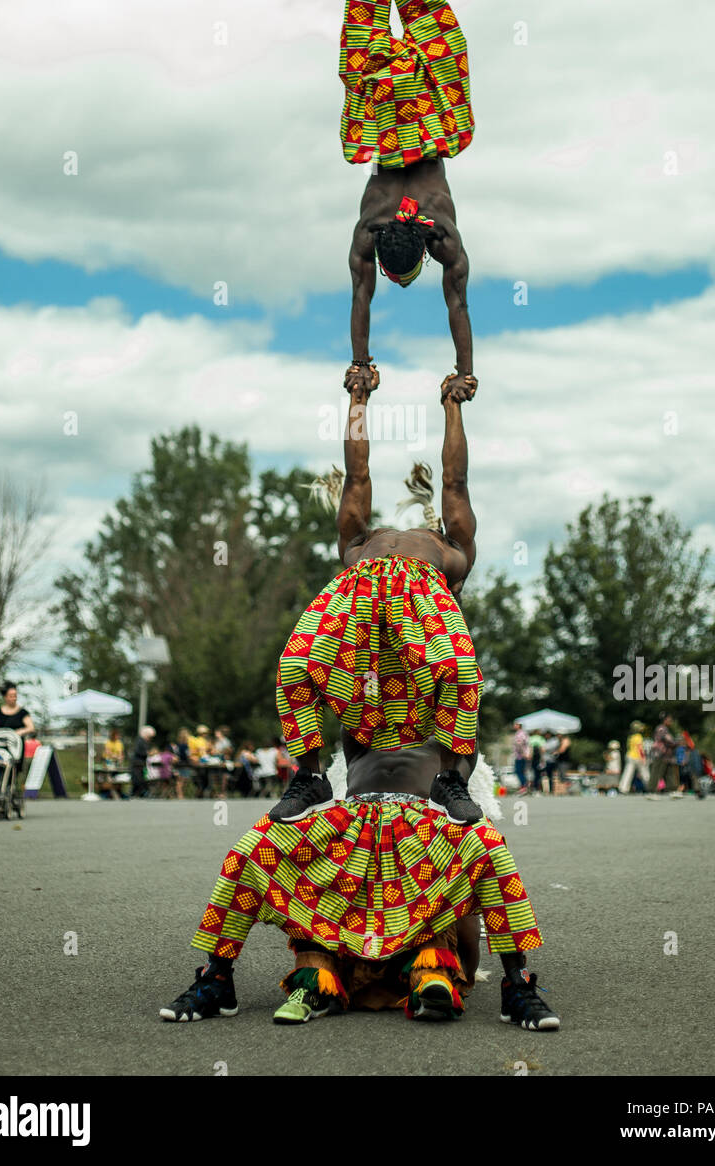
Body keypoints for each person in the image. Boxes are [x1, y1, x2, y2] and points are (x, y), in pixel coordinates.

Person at [160, 731, 558, 1032]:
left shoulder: (446, 714)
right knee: (249, 851)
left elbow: (462, 758)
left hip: (420, 827)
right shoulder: (359, 712)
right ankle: (217, 979)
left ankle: (517, 985)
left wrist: (468, 949)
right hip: (353, 824)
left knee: (491, 849)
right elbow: (330, 695)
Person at [269, 373, 483, 826]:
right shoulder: (357, 544)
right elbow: (357, 471)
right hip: (356, 602)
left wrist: (452, 406)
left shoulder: (452, 553)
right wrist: (357, 399)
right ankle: (309, 776)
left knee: (461, 670)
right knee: (293, 667)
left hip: (417, 600)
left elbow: (454, 481)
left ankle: (452, 781)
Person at [341, 0, 476, 401]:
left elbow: (458, 305)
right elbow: (361, 298)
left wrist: (465, 371)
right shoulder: (369, 231)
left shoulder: (441, 234)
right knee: (369, 2)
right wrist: (358, 362)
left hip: (428, 114)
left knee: (421, 4)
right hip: (382, 115)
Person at [647, 713, 679, 798]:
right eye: (669, 720)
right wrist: (676, 742)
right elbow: (667, 740)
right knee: (657, 773)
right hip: (660, 754)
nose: (671, 721)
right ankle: (651, 791)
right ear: (665, 720)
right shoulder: (661, 728)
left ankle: (673, 790)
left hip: (667, 755)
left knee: (670, 773)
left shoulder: (666, 729)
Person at [619, 721, 650, 794]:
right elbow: (640, 748)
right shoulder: (639, 737)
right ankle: (650, 787)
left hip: (629, 756)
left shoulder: (630, 737)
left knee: (628, 773)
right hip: (637, 757)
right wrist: (643, 757)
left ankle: (623, 788)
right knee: (644, 773)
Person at [130, 725, 155, 798]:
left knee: (141, 780)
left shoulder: (143, 741)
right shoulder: (140, 741)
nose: (150, 739)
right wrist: (148, 753)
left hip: (141, 763)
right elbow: (139, 752)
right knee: (138, 780)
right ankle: (135, 794)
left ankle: (137, 794)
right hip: (137, 764)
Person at [173, 728, 196, 800]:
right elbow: (188, 755)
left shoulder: (177, 745)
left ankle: (180, 794)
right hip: (184, 764)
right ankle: (180, 795)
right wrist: (193, 760)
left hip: (178, 764)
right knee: (182, 781)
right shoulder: (185, 746)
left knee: (180, 781)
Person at [512, 722, 531, 794]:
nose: (514, 726)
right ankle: (525, 786)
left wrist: (523, 754)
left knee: (518, 771)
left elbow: (520, 745)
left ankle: (524, 786)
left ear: (519, 726)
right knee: (523, 771)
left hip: (520, 756)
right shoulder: (523, 733)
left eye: (515, 724)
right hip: (522, 755)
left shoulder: (520, 734)